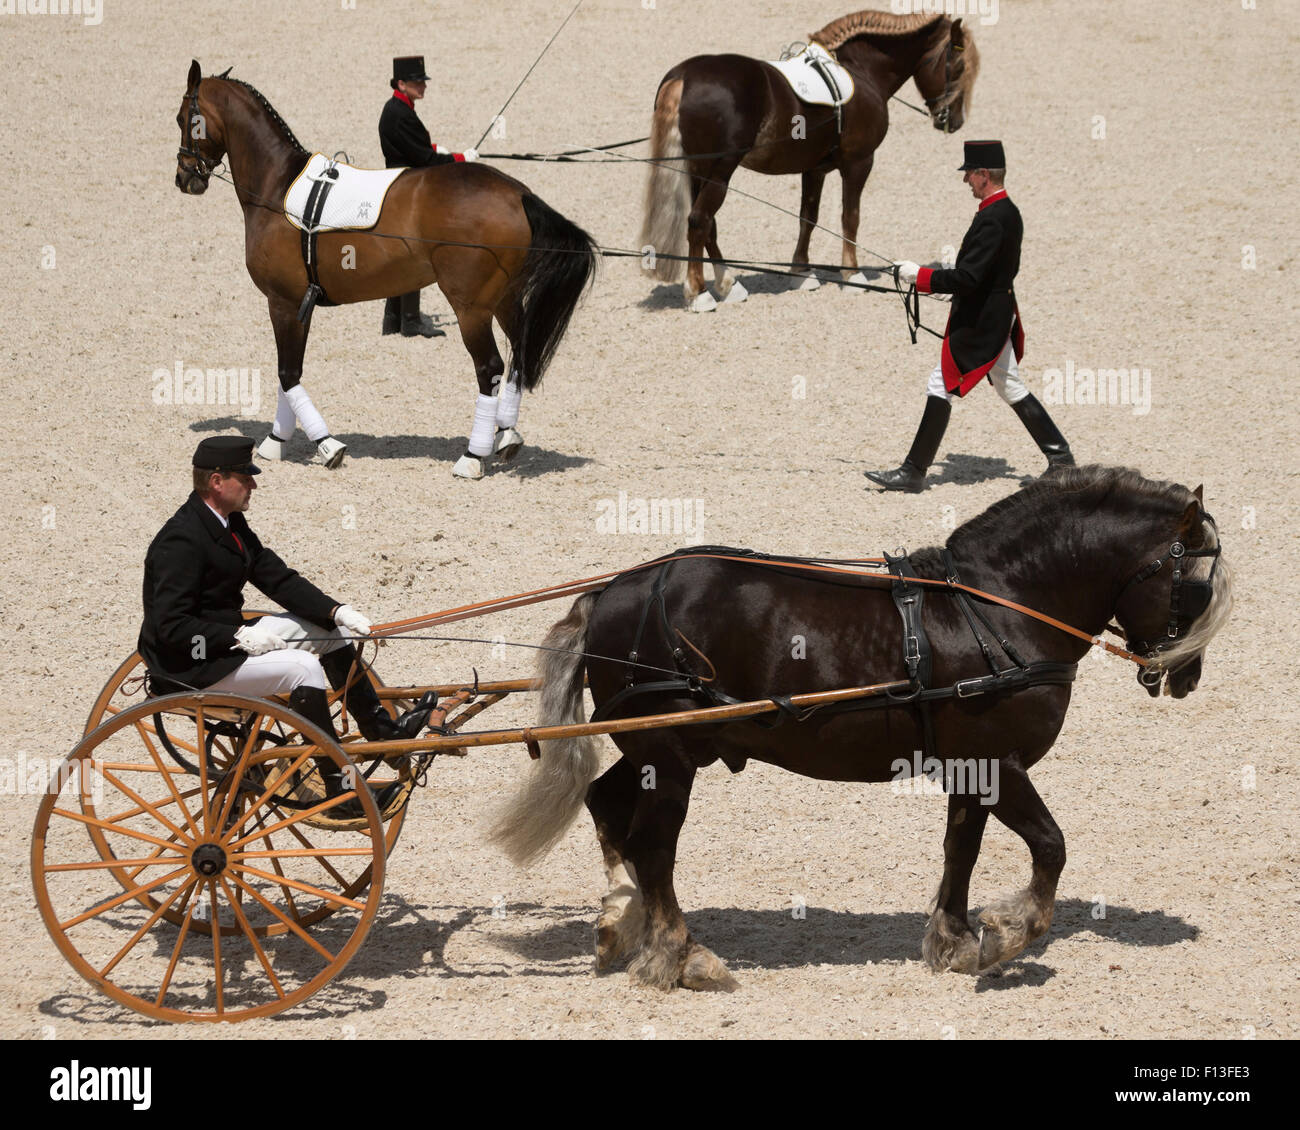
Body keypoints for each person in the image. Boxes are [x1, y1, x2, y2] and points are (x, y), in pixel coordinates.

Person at [138, 436, 436, 810]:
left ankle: (380, 728)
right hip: (193, 666)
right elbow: (170, 627)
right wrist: (238, 636)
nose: (254, 485)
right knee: (303, 668)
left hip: (225, 645)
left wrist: (335, 611)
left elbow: (274, 576)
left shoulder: (228, 522)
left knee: (328, 632)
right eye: (246, 478)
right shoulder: (180, 541)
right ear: (217, 481)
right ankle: (341, 790)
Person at [865, 140, 1074, 492]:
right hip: (994, 311)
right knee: (1009, 385)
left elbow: (970, 277)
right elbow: (989, 272)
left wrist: (921, 276)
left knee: (941, 383)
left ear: (983, 175)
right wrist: (948, 282)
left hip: (982, 322)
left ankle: (914, 471)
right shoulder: (1006, 212)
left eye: (969, 175)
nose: (966, 182)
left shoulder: (994, 217)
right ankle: (1062, 460)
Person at [378, 55, 480, 338]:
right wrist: (459, 159)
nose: (423, 86)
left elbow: (416, 145)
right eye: (417, 82)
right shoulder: (398, 113)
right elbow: (425, 158)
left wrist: (440, 149)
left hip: (403, 183)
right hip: (408, 187)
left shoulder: (400, 108)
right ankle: (409, 320)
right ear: (402, 83)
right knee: (414, 251)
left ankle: (393, 317)